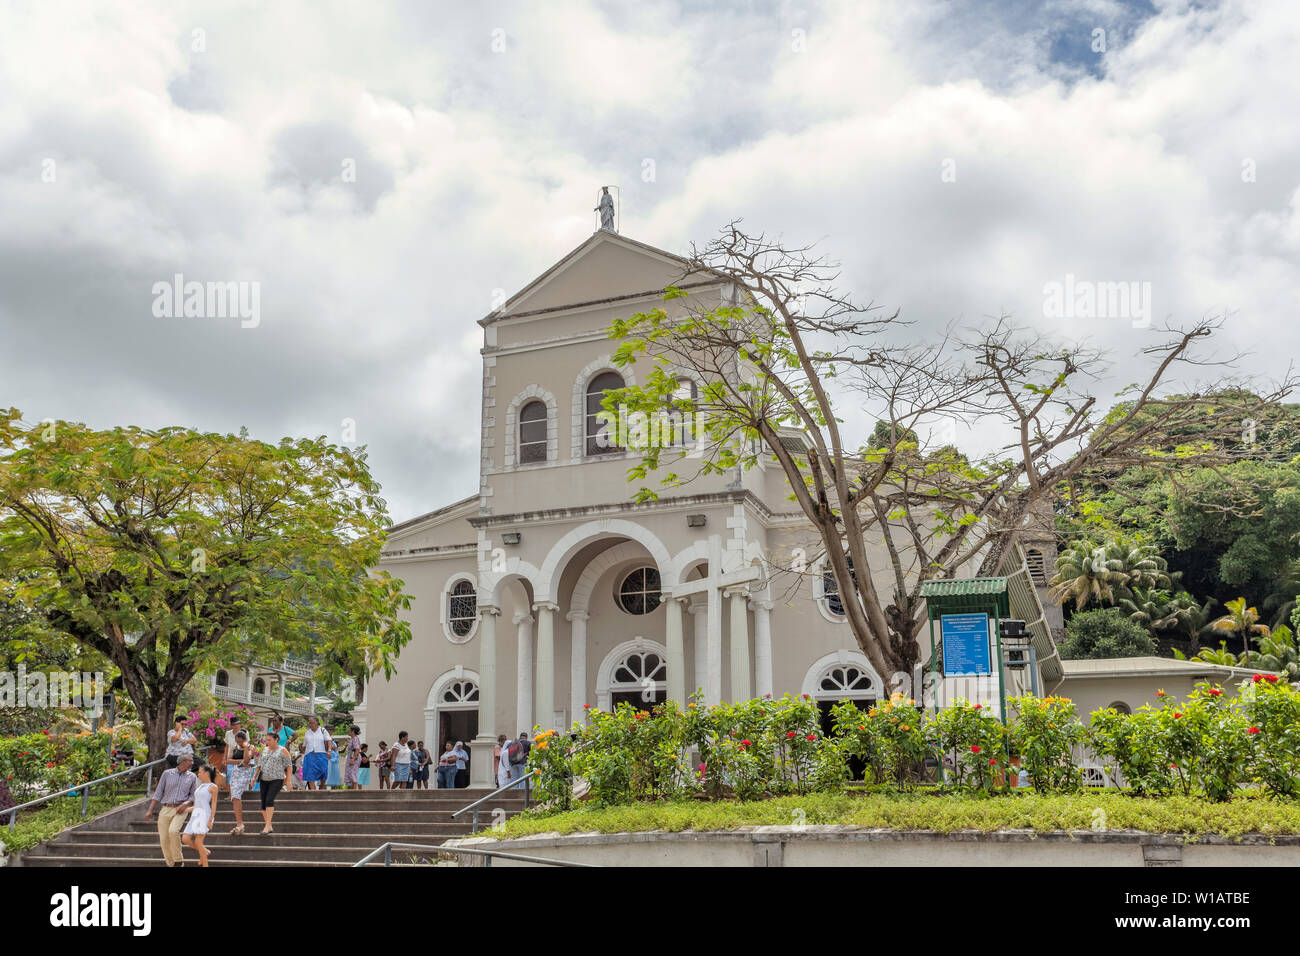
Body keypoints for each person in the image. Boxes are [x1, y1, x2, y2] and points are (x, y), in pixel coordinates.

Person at [145, 754, 197, 867]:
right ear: (183, 762)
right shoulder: (167, 774)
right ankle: (171, 864)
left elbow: (193, 796)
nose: (192, 763)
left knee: (173, 831)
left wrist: (185, 803)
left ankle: (178, 861)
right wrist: (150, 810)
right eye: (190, 760)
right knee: (164, 839)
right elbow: (158, 792)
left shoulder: (192, 776)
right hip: (166, 808)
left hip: (181, 809)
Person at [248, 729, 292, 835]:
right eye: (266, 740)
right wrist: (253, 777)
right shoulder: (265, 750)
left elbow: (289, 765)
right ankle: (269, 825)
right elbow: (259, 765)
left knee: (269, 800)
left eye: (269, 740)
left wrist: (289, 781)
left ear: (276, 739)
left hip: (277, 779)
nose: (267, 742)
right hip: (264, 779)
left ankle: (267, 826)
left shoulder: (283, 750)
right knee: (263, 803)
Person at [181, 764, 218, 867]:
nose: (198, 774)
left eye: (200, 772)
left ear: (207, 773)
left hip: (204, 815)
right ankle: (204, 851)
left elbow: (213, 805)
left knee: (198, 841)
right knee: (185, 838)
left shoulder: (213, 787)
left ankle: (205, 864)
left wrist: (210, 820)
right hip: (195, 815)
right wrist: (188, 809)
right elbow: (198, 803)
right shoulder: (200, 786)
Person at [225, 730, 255, 835]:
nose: (238, 743)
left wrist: (246, 747)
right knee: (234, 796)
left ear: (245, 740)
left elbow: (247, 760)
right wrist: (240, 761)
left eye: (240, 741)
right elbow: (228, 760)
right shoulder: (234, 748)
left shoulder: (251, 747)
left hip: (245, 772)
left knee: (236, 795)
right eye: (237, 741)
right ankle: (239, 823)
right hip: (235, 772)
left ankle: (240, 823)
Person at [301, 716, 335, 790]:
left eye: (312, 723)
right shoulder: (307, 732)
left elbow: (329, 741)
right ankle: (313, 792)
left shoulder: (323, 730)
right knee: (310, 775)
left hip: (321, 755)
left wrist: (329, 751)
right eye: (309, 723)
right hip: (309, 755)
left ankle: (322, 790)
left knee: (323, 772)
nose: (310, 724)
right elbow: (304, 745)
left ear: (317, 723)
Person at [344, 726, 363, 790]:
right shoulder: (352, 739)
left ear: (353, 731)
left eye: (349, 730)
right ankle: (350, 792)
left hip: (354, 758)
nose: (348, 731)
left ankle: (354, 793)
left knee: (352, 774)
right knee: (349, 775)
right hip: (351, 757)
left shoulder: (355, 738)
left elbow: (357, 749)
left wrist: (353, 759)